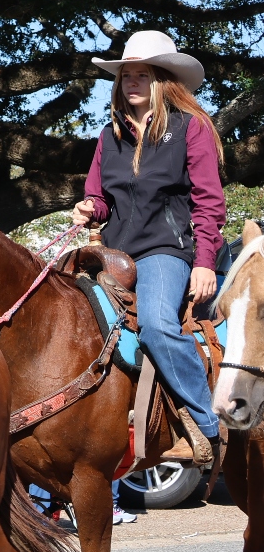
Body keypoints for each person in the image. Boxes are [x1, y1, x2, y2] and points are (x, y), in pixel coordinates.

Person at [72, 30, 226, 467]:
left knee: (157, 327)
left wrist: (204, 263)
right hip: (113, 254)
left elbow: (210, 204)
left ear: (161, 80)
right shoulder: (109, 137)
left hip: (165, 250)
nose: (132, 82)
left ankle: (208, 427)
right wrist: (90, 208)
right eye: (126, 76)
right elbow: (102, 198)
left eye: (142, 74)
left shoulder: (190, 128)